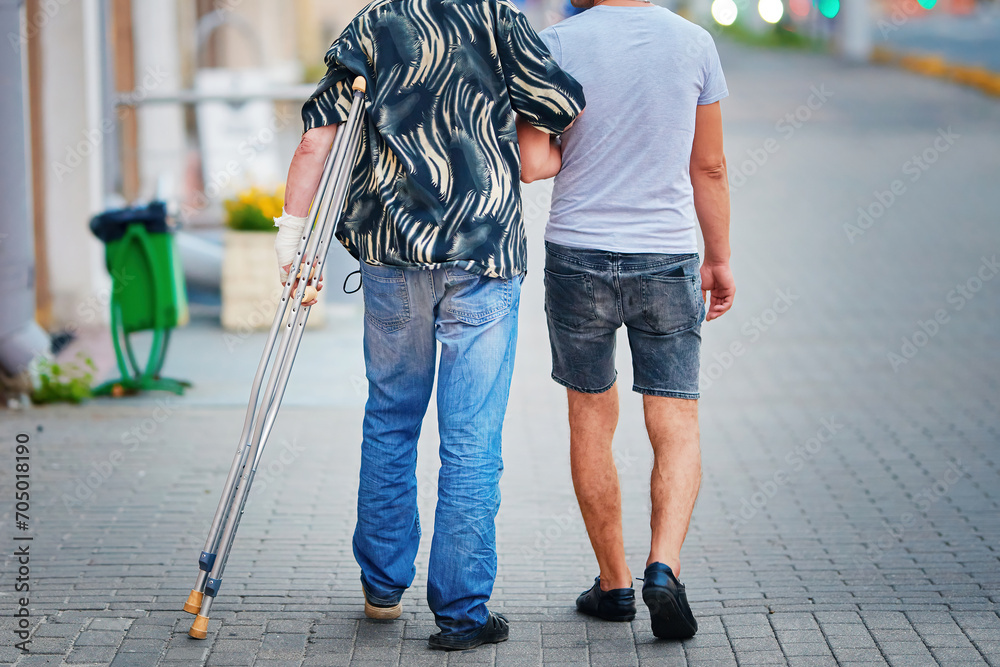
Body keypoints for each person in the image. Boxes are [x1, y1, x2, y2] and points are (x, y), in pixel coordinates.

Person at [276, 0, 585, 652]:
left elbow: (316, 138)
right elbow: (556, 112)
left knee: (390, 413)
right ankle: (462, 610)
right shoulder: (501, 22)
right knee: (471, 437)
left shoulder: (376, 23)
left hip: (394, 253)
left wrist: (289, 239)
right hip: (484, 254)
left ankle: (382, 587)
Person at [517, 0, 735, 640]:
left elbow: (536, 160)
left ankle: (613, 585)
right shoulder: (694, 44)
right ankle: (662, 569)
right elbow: (710, 166)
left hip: (577, 253)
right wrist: (719, 259)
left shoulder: (555, 44)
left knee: (591, 416)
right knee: (675, 417)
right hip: (666, 257)